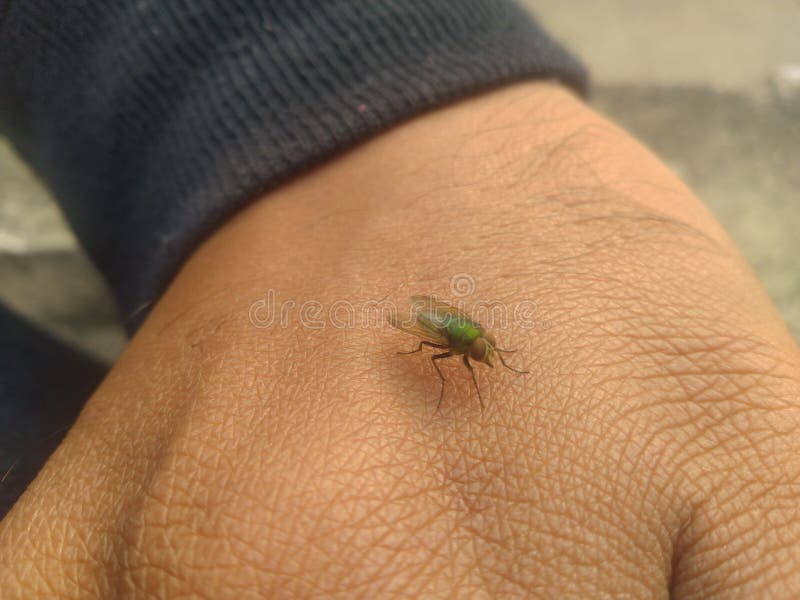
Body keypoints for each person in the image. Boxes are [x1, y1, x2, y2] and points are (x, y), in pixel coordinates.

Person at [1, 1, 799, 596]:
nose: (480, 357)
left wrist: (357, 83)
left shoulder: (476, 339)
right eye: (480, 353)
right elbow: (436, 340)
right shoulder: (455, 345)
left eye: (483, 352)